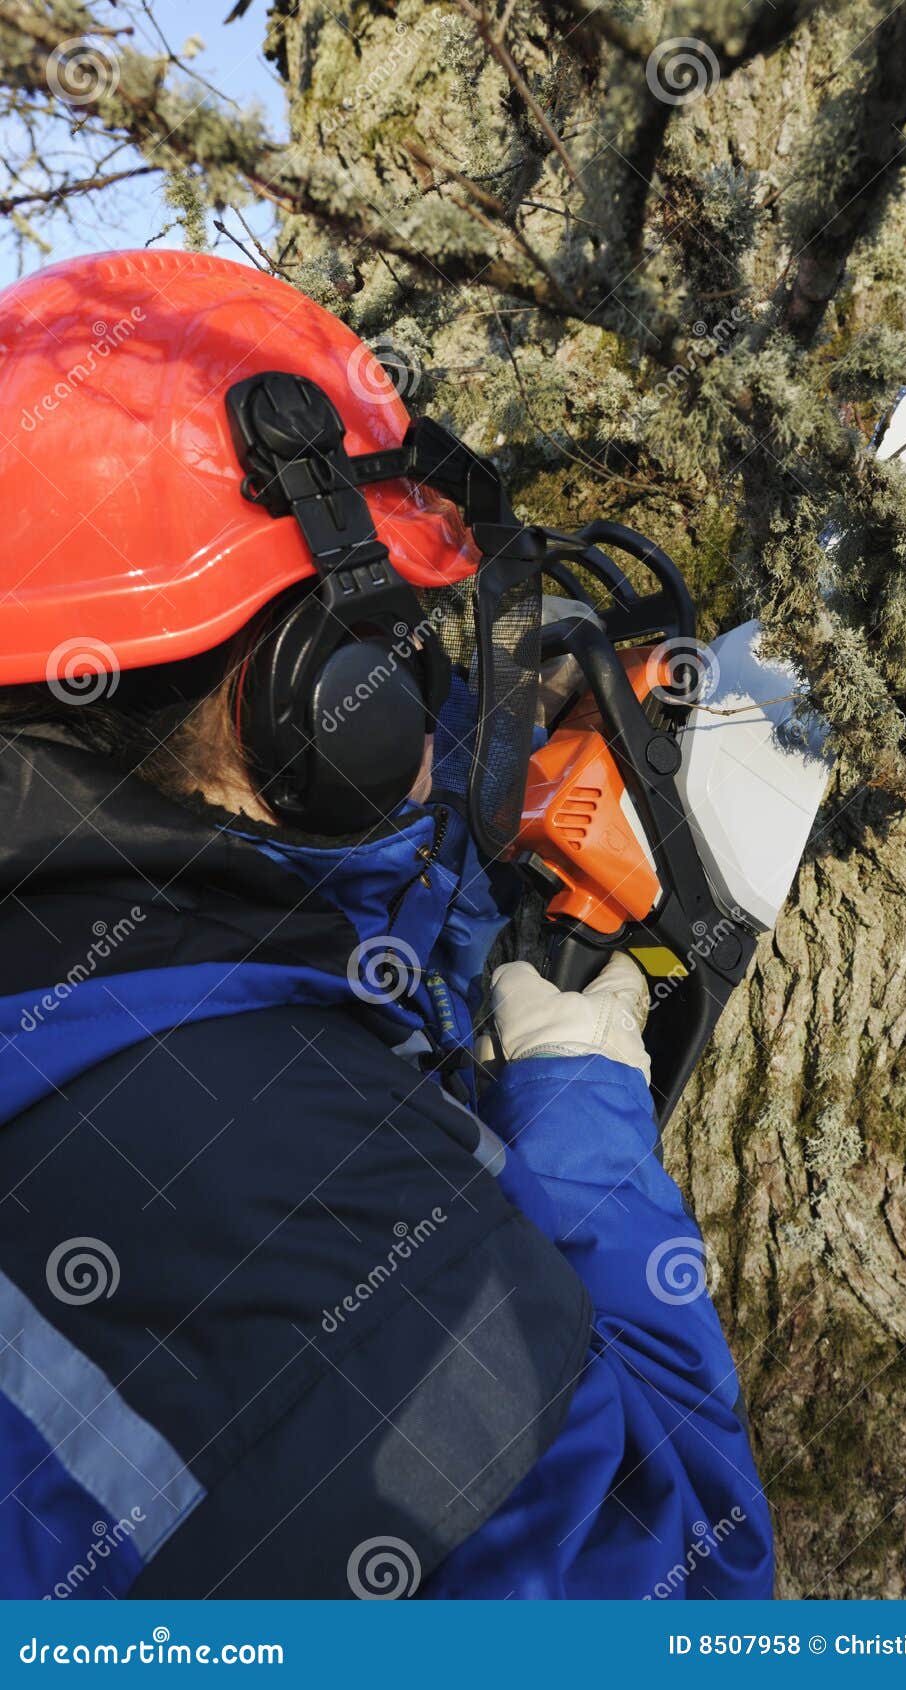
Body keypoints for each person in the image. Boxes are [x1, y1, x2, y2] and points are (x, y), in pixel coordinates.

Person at [0, 250, 774, 1600]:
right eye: (404, 659)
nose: (432, 721)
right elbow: (687, 1596)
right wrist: (582, 1120)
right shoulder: (346, 1249)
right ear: (312, 713)